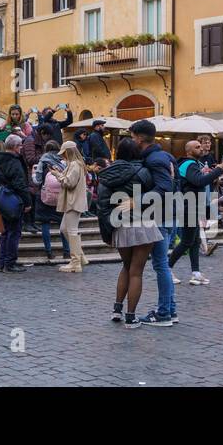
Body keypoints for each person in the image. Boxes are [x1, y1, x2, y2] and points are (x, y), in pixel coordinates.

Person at [99, 136, 162, 327]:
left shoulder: (107, 174)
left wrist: (107, 230)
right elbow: (156, 196)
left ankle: (117, 310)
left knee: (126, 267)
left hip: (120, 225)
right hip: (142, 224)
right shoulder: (144, 172)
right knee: (137, 272)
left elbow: (101, 204)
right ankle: (131, 316)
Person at [129, 119, 178, 327]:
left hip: (160, 216)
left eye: (132, 137)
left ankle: (164, 313)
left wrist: (136, 201)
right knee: (163, 265)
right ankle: (170, 310)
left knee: (160, 265)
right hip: (169, 214)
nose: (131, 140)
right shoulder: (165, 156)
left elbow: (165, 188)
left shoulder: (155, 159)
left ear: (140, 138)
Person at [168, 139, 223, 286]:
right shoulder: (189, 164)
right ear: (188, 151)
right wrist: (218, 170)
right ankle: (166, 269)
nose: (201, 149)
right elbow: (199, 181)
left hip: (195, 205)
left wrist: (213, 177)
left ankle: (196, 273)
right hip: (189, 206)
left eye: (201, 147)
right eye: (197, 147)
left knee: (195, 241)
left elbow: (199, 181)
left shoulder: (193, 164)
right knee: (187, 241)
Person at [0, 136, 31, 273]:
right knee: (14, 232)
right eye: (20, 146)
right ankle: (10, 263)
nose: (21, 148)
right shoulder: (13, 162)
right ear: (14, 147)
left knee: (6, 232)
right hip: (14, 200)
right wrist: (28, 201)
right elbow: (20, 183)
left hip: (3, 200)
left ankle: (1, 262)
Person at [50, 141, 90, 272]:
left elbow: (69, 182)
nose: (62, 156)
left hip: (73, 202)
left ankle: (75, 262)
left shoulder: (74, 164)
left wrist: (57, 175)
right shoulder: (77, 164)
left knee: (71, 230)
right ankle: (80, 257)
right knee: (64, 229)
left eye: (64, 153)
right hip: (74, 201)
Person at [31, 141, 71, 262]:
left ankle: (49, 252)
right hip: (61, 197)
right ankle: (66, 252)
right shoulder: (63, 161)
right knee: (63, 225)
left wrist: (33, 175)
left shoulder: (43, 161)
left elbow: (37, 181)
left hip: (45, 197)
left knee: (45, 224)